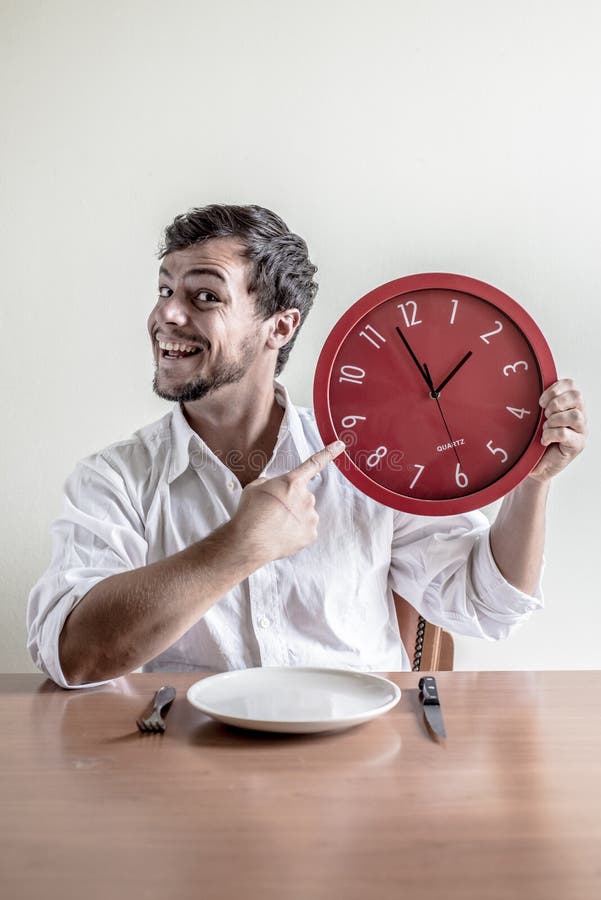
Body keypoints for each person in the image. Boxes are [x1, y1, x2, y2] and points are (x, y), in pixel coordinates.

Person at [26, 204, 587, 689]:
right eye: (166, 290)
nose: (167, 315)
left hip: (363, 769)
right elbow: (73, 657)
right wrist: (238, 547)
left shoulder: (370, 455)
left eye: (203, 295)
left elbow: (489, 605)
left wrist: (531, 482)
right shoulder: (115, 477)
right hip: (191, 770)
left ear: (281, 326)